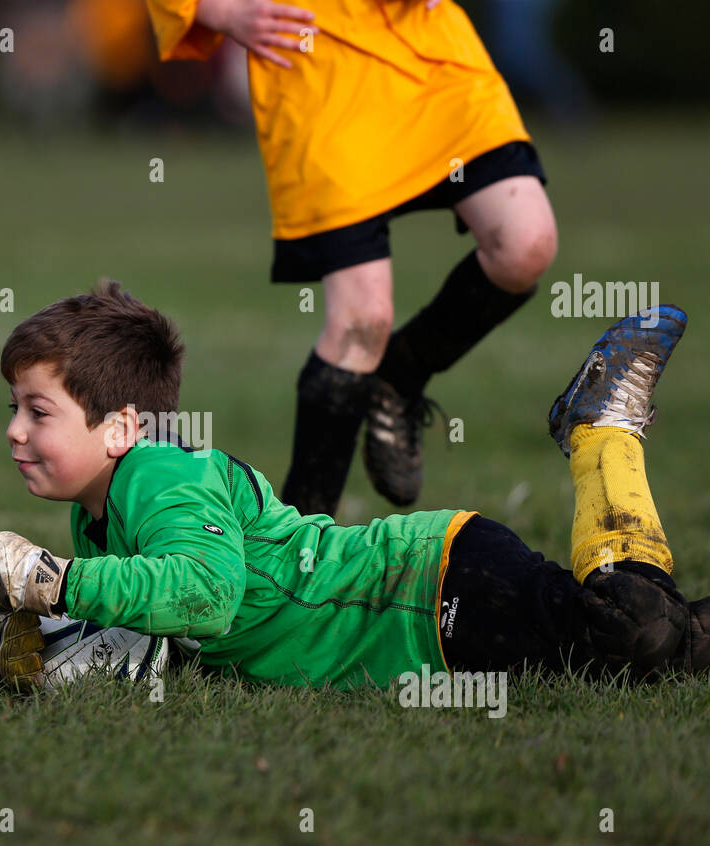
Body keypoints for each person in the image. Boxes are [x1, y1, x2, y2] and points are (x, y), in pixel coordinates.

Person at [0, 282, 710, 689]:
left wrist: (60, 586)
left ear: (119, 428)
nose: (13, 430)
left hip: (431, 589)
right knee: (671, 651)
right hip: (427, 620)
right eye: (14, 408)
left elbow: (202, 592)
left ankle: (600, 432)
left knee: (631, 634)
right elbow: (164, 618)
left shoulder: (161, 472)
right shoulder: (102, 516)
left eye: (37, 412)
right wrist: (43, 633)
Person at [144, 0, 559, 514]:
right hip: (319, 64)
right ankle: (296, 556)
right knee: (361, 323)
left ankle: (400, 378)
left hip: (429, 51)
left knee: (526, 243)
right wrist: (217, 11)